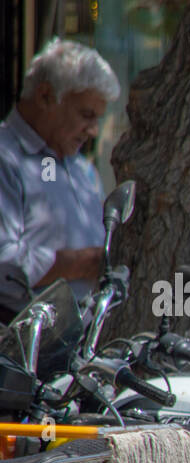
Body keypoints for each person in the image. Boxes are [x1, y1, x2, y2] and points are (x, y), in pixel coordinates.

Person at [0, 38, 120, 308]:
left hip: (85, 337)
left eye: (98, 119)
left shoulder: (78, 165)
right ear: (45, 96)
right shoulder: (5, 157)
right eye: (86, 114)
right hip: (25, 341)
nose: (94, 131)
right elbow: (4, 265)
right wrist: (83, 264)